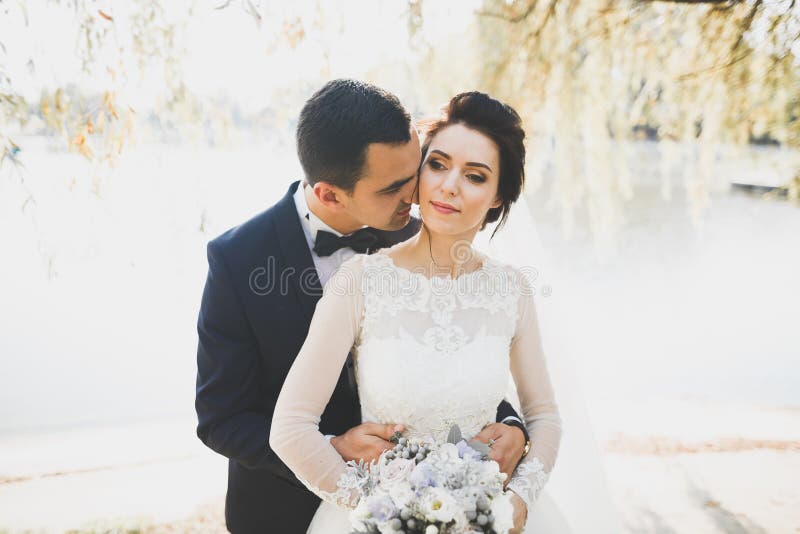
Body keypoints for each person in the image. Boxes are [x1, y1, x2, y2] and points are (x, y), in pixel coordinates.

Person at [195, 80, 529, 533]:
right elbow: (221, 418)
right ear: (331, 194)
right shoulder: (238, 260)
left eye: (418, 170)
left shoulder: (425, 235)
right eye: (396, 187)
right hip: (284, 511)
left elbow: (456, 349)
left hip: (438, 504)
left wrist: (512, 423)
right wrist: (330, 447)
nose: (416, 194)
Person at [270, 92, 573, 533]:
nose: (449, 185)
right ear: (418, 173)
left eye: (474, 176)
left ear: (497, 195)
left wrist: (519, 499)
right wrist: (387, 514)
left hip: (486, 520)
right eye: (438, 164)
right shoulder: (359, 283)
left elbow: (544, 416)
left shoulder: (513, 291)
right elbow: (290, 429)